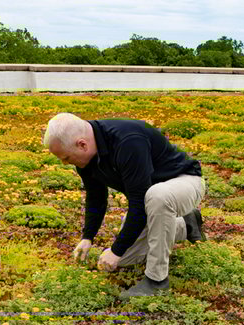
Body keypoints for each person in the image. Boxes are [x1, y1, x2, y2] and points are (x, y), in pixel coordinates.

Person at [43, 112, 205, 298]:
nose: (65, 163)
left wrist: (116, 249)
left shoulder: (128, 141)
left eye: (66, 158)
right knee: (125, 259)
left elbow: (139, 202)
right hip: (150, 201)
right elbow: (96, 197)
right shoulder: (87, 157)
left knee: (156, 196)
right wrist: (88, 237)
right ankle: (186, 225)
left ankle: (157, 281)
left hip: (184, 182)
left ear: (82, 144)